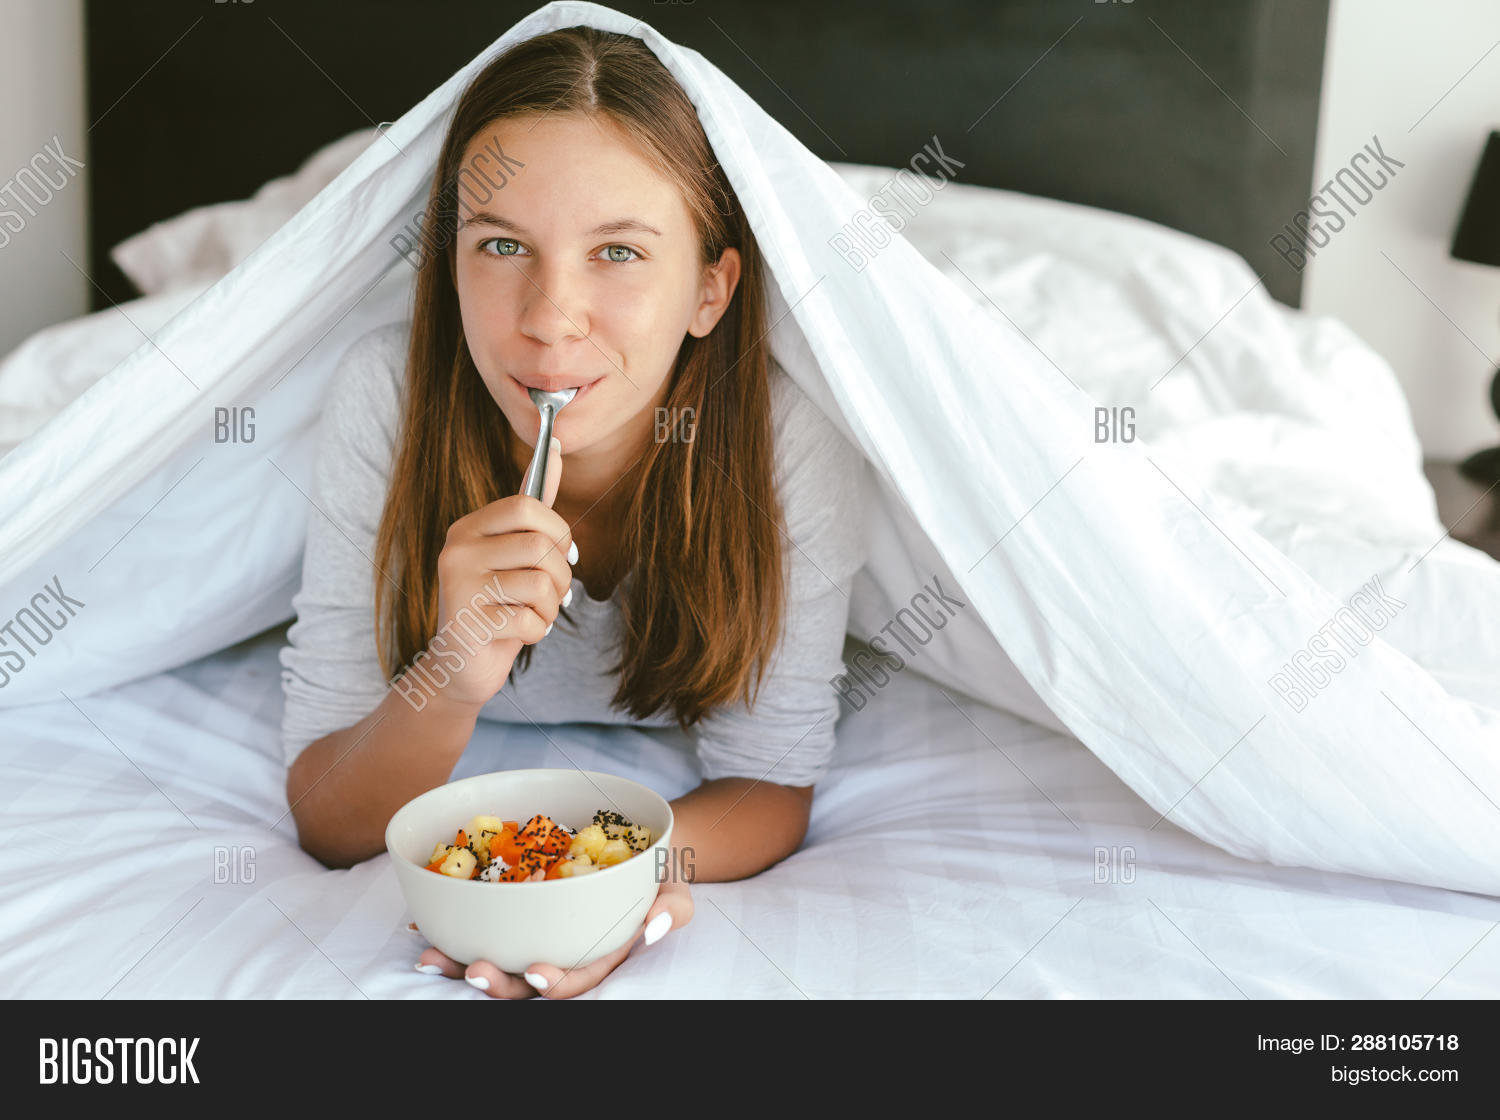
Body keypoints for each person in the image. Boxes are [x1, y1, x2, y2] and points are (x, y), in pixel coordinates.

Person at [278, 25, 866, 998]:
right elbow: (331, 819)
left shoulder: (783, 439)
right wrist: (451, 671)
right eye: (501, 244)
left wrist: (601, 883)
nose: (549, 316)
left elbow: (768, 784)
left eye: (619, 252)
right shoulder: (386, 394)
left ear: (710, 290)